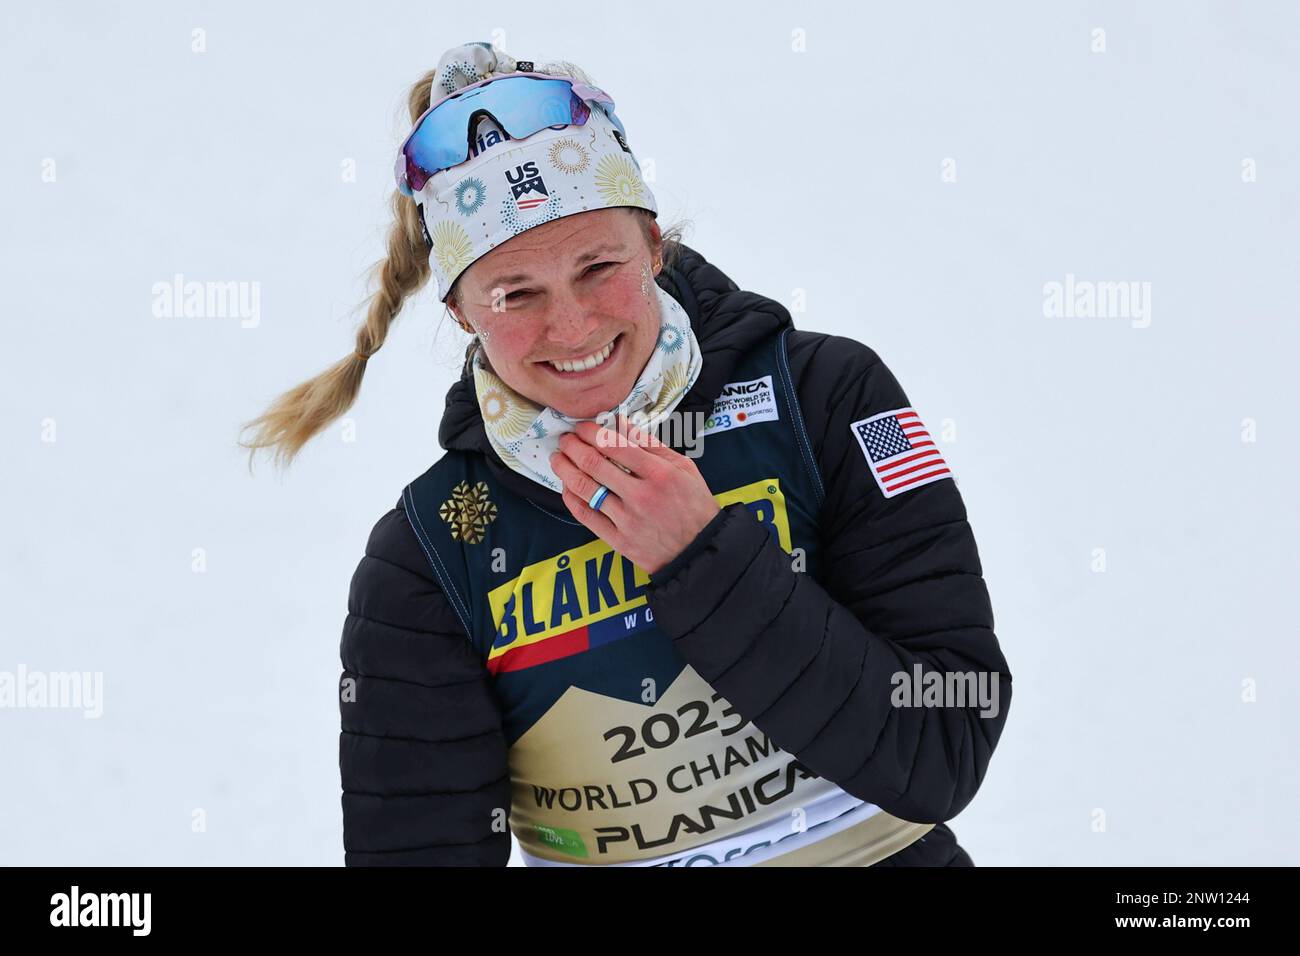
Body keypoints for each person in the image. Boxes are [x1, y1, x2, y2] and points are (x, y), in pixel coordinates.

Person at [240, 42, 1012, 867]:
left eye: (598, 267)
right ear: (463, 313)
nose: (571, 328)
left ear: (652, 245)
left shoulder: (828, 396)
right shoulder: (433, 552)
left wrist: (703, 558)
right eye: (514, 294)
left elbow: (942, 749)